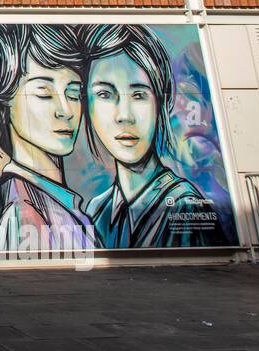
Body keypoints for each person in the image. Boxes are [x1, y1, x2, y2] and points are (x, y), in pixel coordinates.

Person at [82, 25, 230, 248]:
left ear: (163, 102)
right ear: (87, 104)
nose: (124, 116)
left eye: (139, 95)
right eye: (105, 94)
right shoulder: (97, 210)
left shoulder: (185, 206)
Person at [0, 24, 99, 254]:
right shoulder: (20, 210)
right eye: (44, 93)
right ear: (4, 101)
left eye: (74, 94)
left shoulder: (46, 198)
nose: (66, 110)